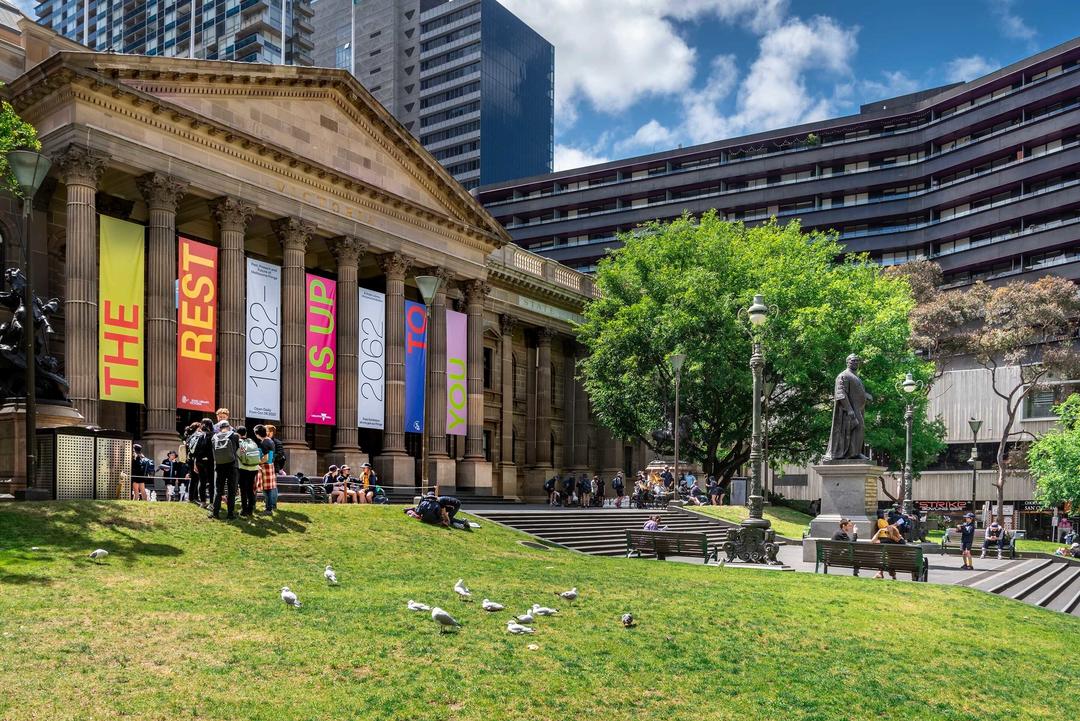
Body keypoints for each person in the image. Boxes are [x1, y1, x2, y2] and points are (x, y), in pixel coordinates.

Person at [209, 419, 239, 520]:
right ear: (229, 427)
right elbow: (237, 448)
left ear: (220, 428)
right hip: (232, 465)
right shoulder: (234, 436)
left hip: (219, 466)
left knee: (218, 490)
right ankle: (230, 514)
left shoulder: (214, 437)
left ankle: (215, 513)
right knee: (231, 491)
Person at [235, 427, 261, 517]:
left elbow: (237, 454)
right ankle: (250, 509)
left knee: (243, 489)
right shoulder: (252, 441)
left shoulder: (238, 442)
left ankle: (244, 510)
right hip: (254, 468)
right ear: (245, 433)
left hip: (243, 468)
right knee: (250, 489)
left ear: (237, 433)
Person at [253, 424, 277, 515]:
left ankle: (268, 509)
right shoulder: (270, 440)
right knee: (269, 489)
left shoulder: (264, 443)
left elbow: (266, 458)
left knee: (267, 490)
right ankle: (269, 507)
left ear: (257, 434)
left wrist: (258, 462)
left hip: (266, 466)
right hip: (270, 466)